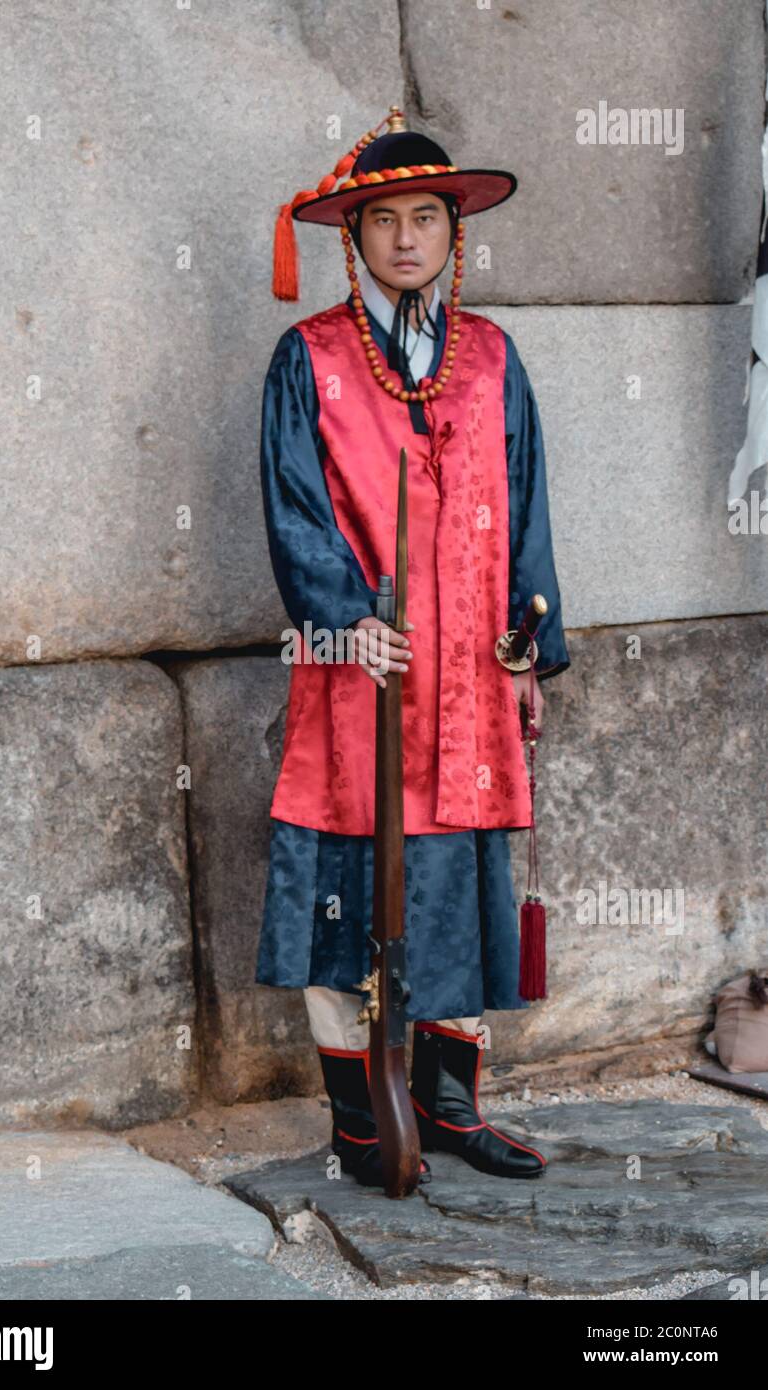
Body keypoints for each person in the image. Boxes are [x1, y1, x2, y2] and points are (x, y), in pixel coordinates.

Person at [256, 106, 570, 1188]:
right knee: (350, 876)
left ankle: (449, 1106)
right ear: (354, 237)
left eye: (423, 218)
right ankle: (357, 1118)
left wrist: (532, 645)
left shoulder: (488, 357)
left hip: (473, 674)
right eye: (382, 219)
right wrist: (347, 619)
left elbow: (523, 507)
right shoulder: (309, 361)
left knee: (460, 881)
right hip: (364, 671)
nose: (403, 239)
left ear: (452, 232)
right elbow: (295, 509)